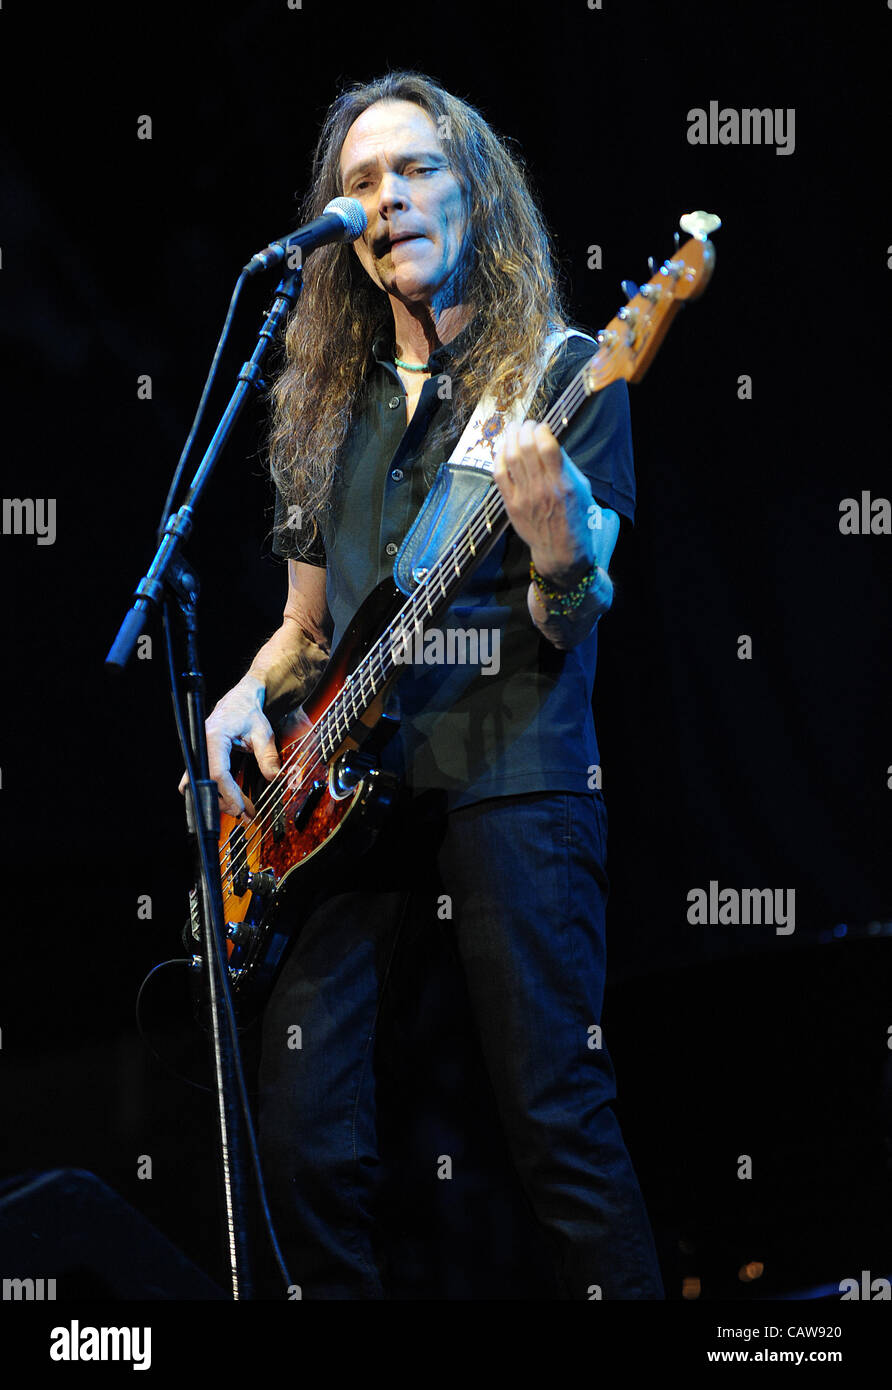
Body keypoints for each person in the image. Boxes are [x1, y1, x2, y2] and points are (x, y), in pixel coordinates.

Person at [187, 70, 664, 1300]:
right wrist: (249, 693)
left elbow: (575, 610)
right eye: (358, 184)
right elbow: (306, 632)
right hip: (345, 796)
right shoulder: (326, 407)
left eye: (414, 171)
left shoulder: (565, 373)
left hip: (511, 766)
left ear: (475, 191)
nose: (384, 200)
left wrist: (558, 547)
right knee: (301, 1140)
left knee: (554, 1116)